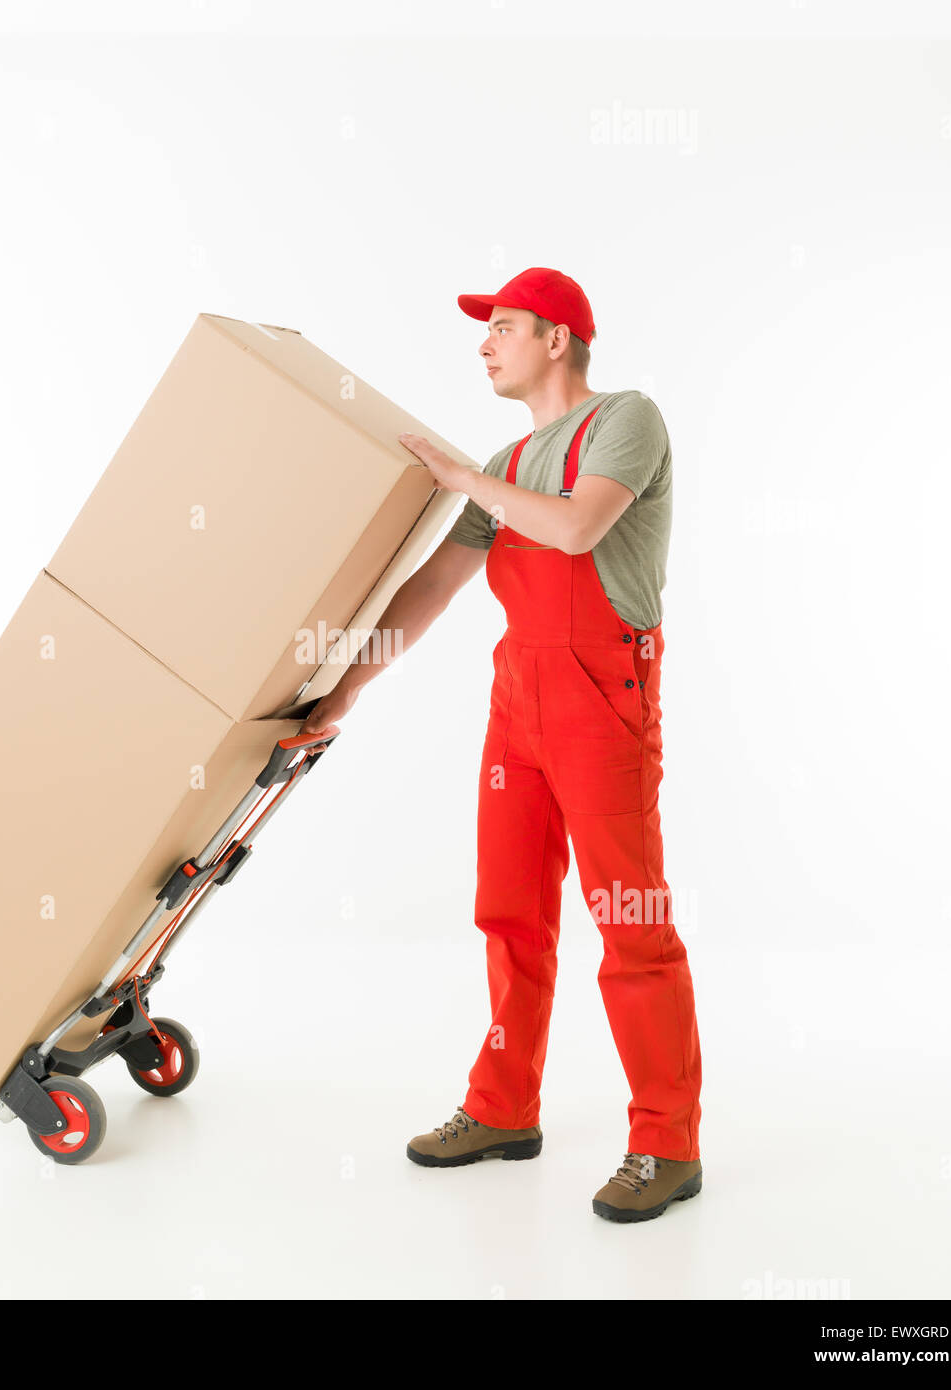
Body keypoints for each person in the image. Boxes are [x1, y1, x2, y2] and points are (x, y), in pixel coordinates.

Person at [299, 267, 702, 1223]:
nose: (486, 345)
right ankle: (504, 1108)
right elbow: (435, 589)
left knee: (630, 924)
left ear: (558, 339)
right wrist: (343, 687)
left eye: (505, 328)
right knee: (509, 910)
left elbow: (575, 529)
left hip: (604, 697)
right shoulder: (506, 461)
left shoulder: (624, 420)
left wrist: (465, 478)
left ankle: (666, 1143)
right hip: (518, 698)